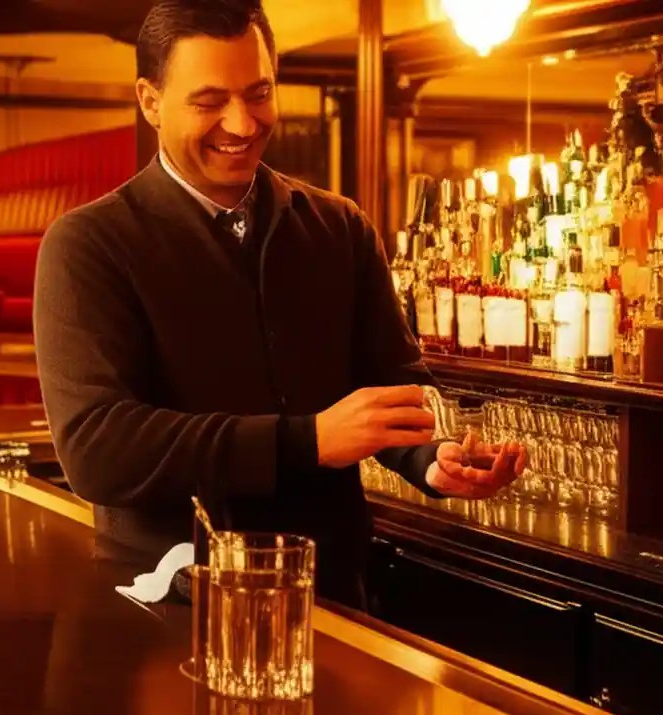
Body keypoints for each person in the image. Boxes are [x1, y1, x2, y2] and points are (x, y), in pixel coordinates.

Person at [32, 0, 526, 608]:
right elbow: (98, 449)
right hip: (172, 601)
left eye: (259, 92)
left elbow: (395, 387)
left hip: (332, 597)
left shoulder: (339, 227)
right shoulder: (90, 243)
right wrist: (308, 440)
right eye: (210, 101)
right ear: (150, 101)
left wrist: (433, 457)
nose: (242, 124)